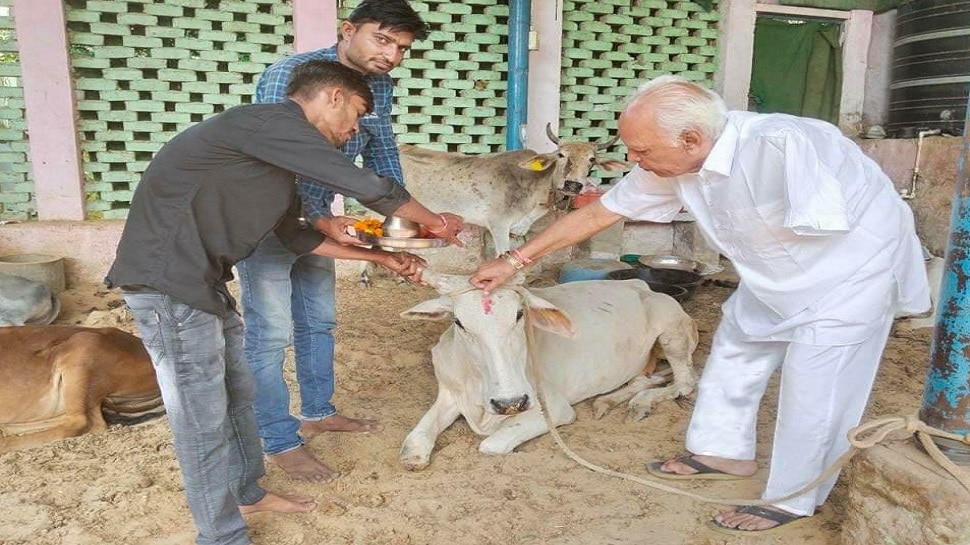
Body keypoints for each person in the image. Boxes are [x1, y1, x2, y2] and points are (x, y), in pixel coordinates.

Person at [469, 75, 930, 535]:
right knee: (737, 346)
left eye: (642, 150)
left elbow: (832, 219)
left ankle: (794, 497)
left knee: (818, 383)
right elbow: (600, 212)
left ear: (691, 139)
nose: (633, 160)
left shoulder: (783, 144)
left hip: (851, 273)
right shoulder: (676, 163)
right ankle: (722, 452)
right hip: (776, 272)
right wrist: (513, 261)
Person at [106, 60, 462, 545]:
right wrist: (436, 223)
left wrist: (381, 259)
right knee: (202, 419)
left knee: (238, 395)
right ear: (332, 96)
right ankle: (223, 537)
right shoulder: (267, 123)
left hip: (202, 285)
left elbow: (296, 236)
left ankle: (247, 492)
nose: (354, 129)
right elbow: (370, 187)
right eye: (356, 114)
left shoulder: (272, 158)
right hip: (167, 285)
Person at [235, 0, 428, 484]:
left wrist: (402, 223)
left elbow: (382, 154)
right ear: (348, 29)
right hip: (268, 222)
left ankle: (318, 410)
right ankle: (279, 439)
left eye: (402, 48)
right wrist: (319, 216)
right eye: (383, 40)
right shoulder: (289, 74)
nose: (391, 56)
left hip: (319, 221)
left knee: (318, 321)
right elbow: (282, 157)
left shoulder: (379, 87)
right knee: (270, 333)